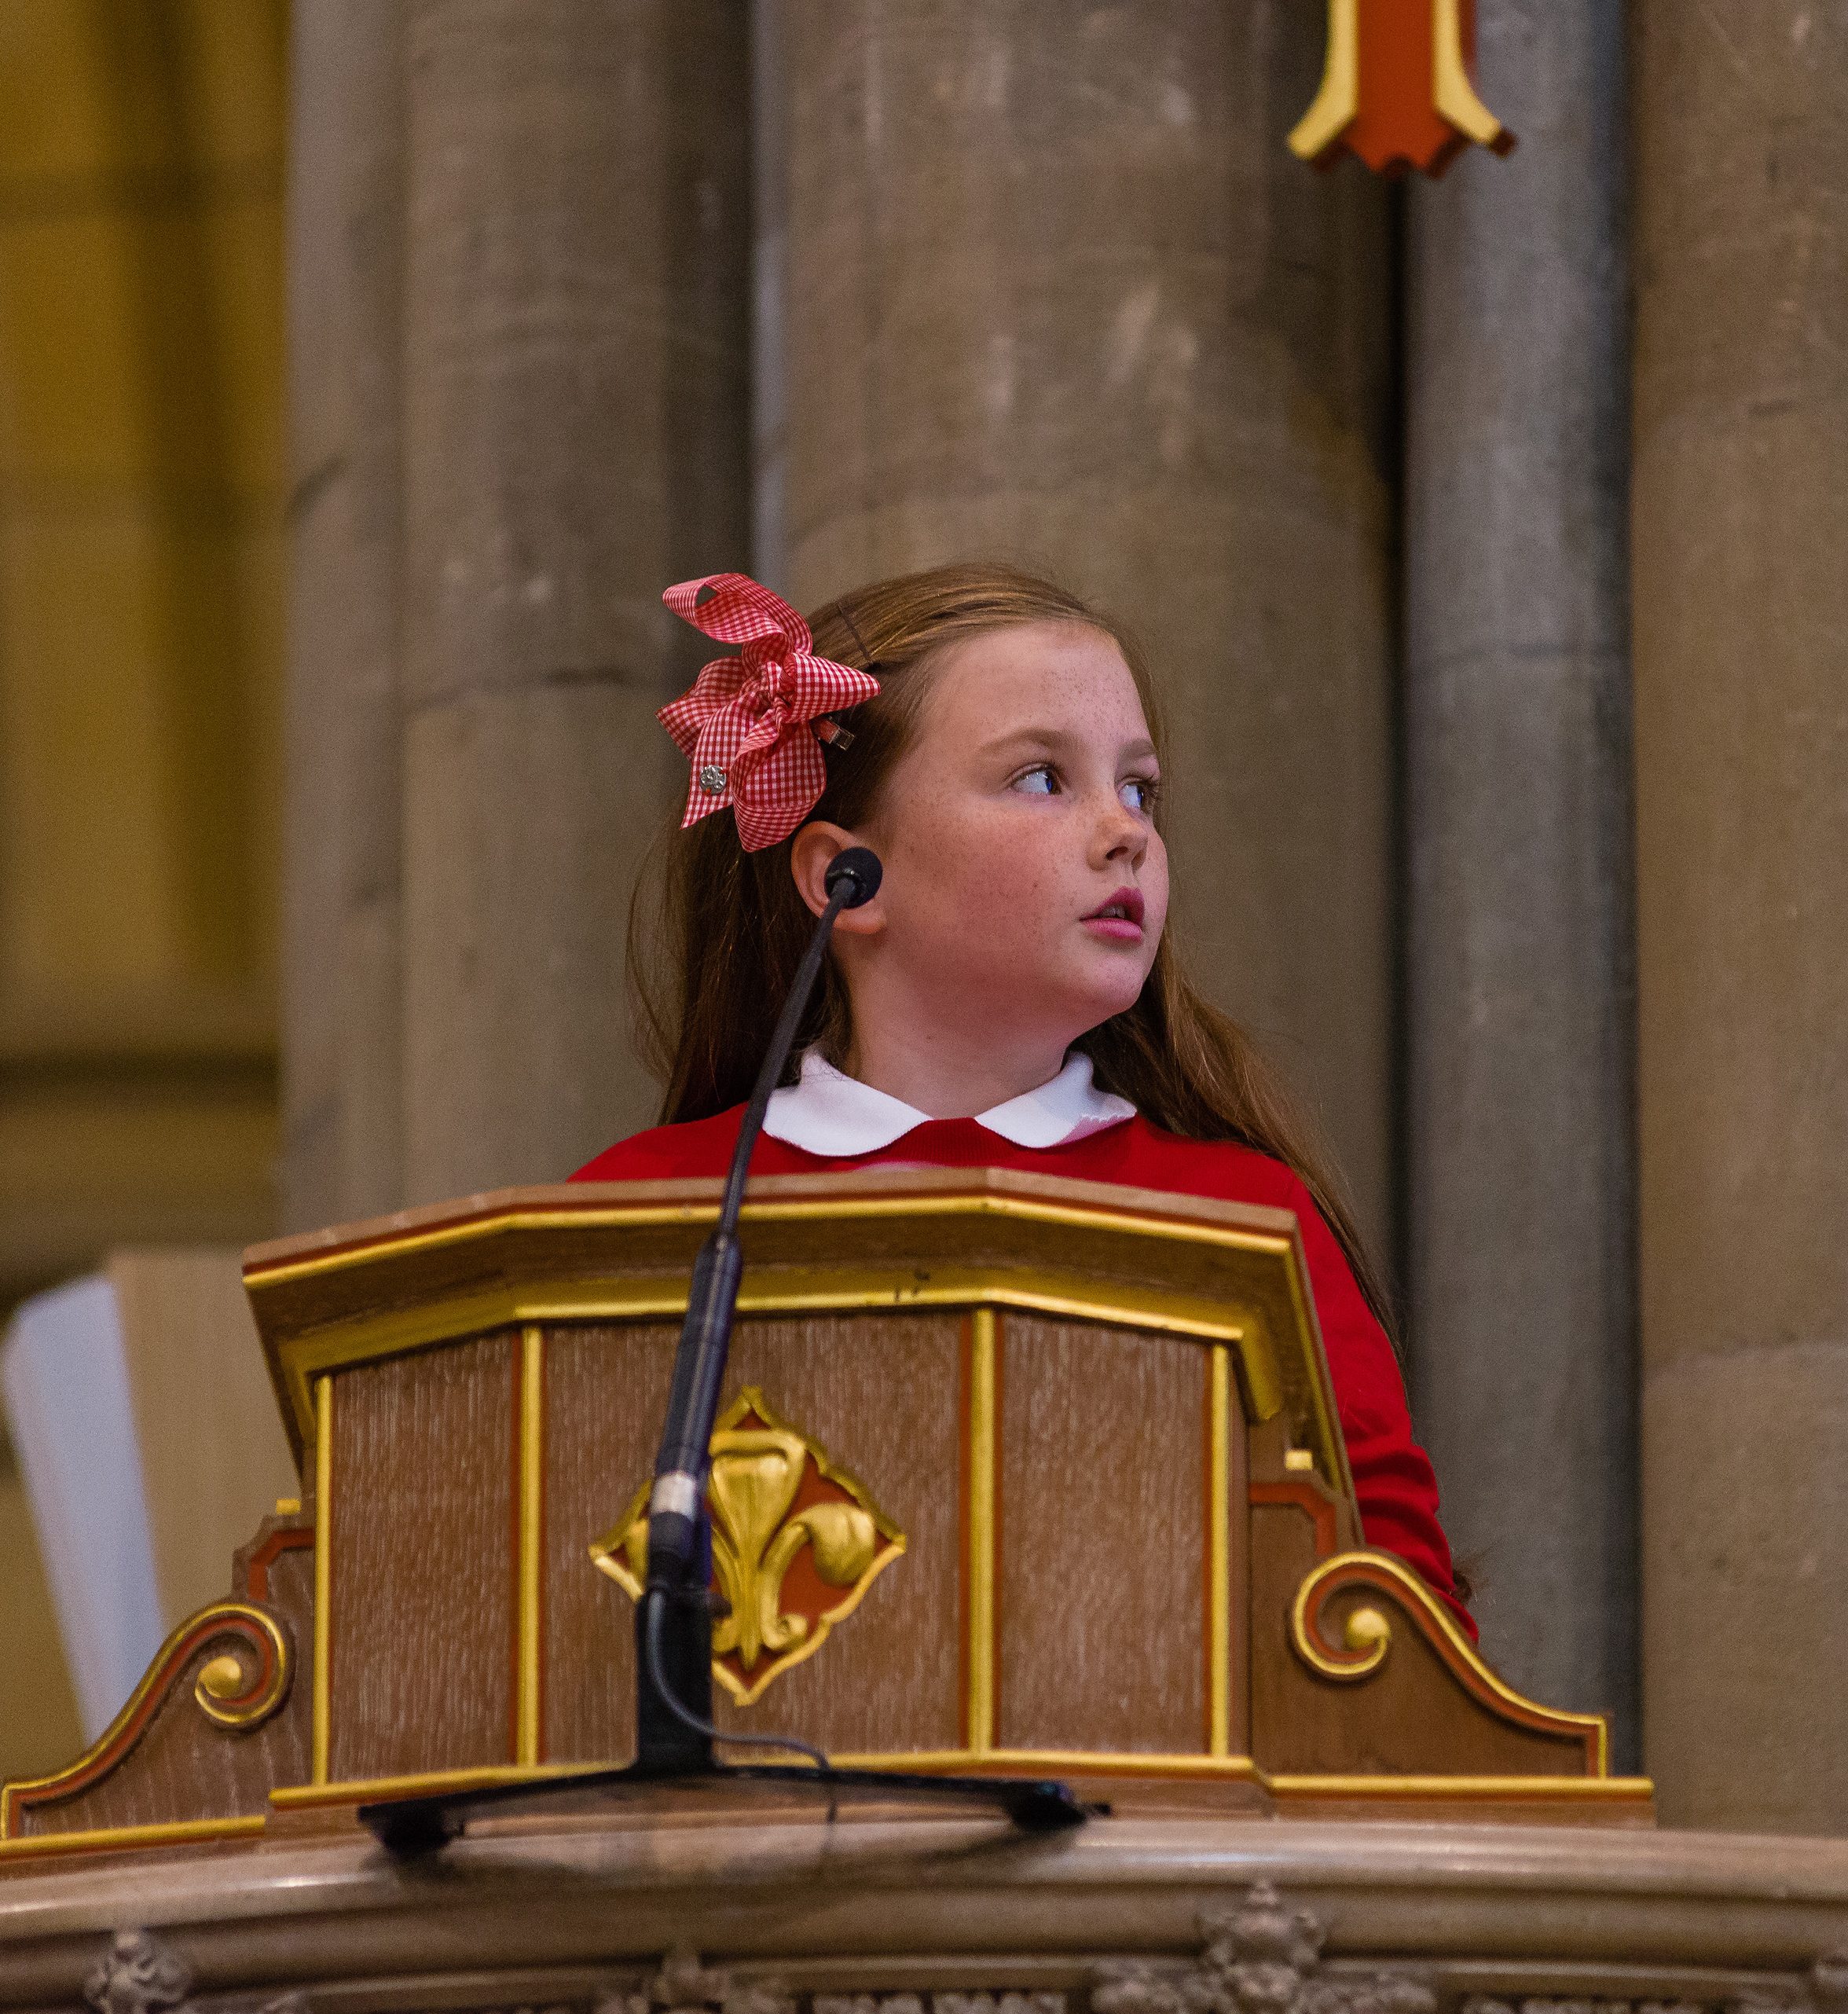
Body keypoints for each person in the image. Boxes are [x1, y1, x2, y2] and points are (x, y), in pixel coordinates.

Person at [574, 563, 1474, 1636]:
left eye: (1140, 789)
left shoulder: (1241, 1216)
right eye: (1044, 779)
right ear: (843, 880)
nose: (1124, 830)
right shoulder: (643, 1207)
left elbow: (1394, 1622)